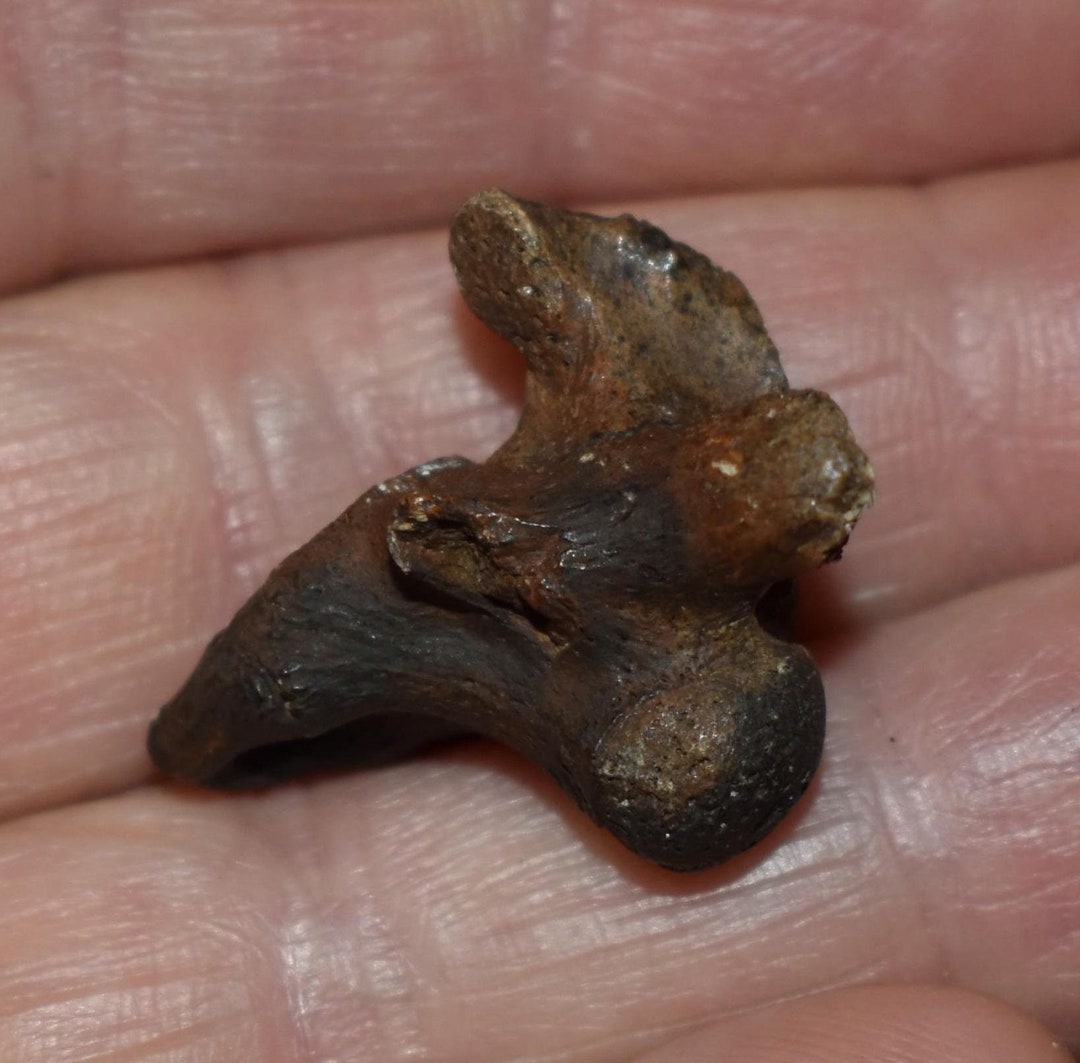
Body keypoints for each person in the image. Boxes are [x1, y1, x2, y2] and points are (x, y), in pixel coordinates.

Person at [0, 3, 1076, 1060]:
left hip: (486, 622)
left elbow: (678, 793)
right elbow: (504, 248)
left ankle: (214, 744)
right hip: (400, 603)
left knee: (283, 687)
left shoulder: (704, 699)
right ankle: (208, 743)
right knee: (268, 691)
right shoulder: (628, 342)